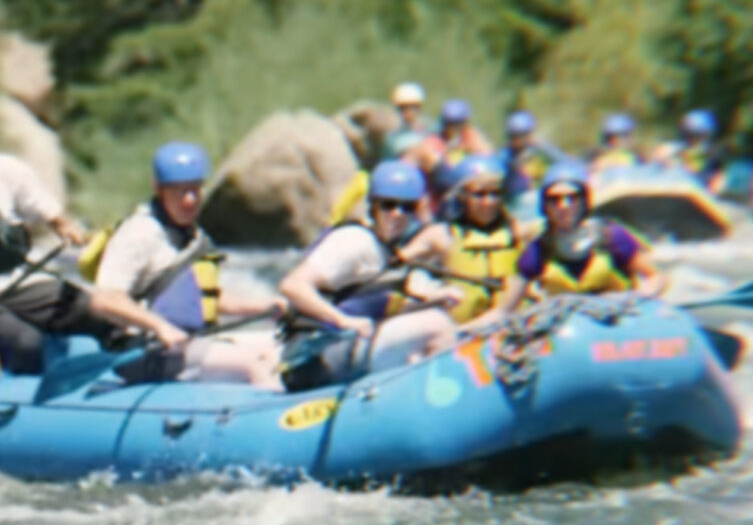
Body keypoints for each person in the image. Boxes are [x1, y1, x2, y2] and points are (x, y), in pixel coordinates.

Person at [0, 88, 181, 373]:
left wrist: (66, 227)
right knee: (27, 343)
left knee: (100, 314)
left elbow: (47, 210)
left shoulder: (4, 170)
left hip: (23, 280)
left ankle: (134, 373)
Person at [90, 141, 286, 388]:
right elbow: (104, 299)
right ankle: (273, 424)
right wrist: (160, 327)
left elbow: (206, 298)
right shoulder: (138, 234)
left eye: (195, 190)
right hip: (146, 349)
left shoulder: (194, 237)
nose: (189, 200)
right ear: (159, 190)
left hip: (190, 343)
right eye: (179, 192)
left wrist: (264, 307)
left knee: (275, 350)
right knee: (256, 363)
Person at [276, 160, 461, 390]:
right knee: (436, 324)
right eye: (388, 205)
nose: (397, 214)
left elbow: (372, 302)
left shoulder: (384, 248)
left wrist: (438, 297)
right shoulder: (355, 241)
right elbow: (292, 286)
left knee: (433, 318)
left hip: (341, 348)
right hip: (315, 357)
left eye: (407, 207)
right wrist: (343, 321)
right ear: (373, 206)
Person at [470, 161, 666, 327]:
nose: (564, 206)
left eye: (572, 197)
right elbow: (504, 311)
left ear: (584, 201)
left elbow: (656, 277)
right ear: (545, 206)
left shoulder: (612, 237)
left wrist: (636, 300)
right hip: (570, 338)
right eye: (555, 200)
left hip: (616, 329)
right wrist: (462, 330)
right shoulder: (538, 251)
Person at [431, 155, 531, 324]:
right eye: (479, 194)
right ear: (462, 196)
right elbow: (397, 262)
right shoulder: (443, 235)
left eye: (495, 194)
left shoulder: (519, 232)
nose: (489, 202)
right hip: (462, 334)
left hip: (512, 331)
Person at [498, 110, 568, 202]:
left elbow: (566, 164)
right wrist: (516, 164)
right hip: (514, 201)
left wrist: (544, 147)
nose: (518, 141)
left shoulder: (542, 150)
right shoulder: (505, 155)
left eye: (522, 135)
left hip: (539, 200)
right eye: (514, 136)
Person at [654, 109, 727, 193]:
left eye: (698, 135)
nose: (693, 140)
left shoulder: (712, 158)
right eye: (690, 135)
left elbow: (717, 186)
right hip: (671, 192)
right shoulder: (673, 150)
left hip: (697, 196)